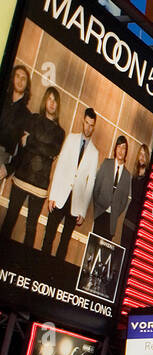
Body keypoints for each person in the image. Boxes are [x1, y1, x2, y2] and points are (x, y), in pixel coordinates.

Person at [0, 87, 66, 248]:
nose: (52, 103)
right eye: (49, 99)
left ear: (58, 105)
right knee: (10, 218)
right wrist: (40, 147)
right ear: (45, 101)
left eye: (55, 100)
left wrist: (31, 141)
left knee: (31, 227)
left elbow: (52, 151)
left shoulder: (60, 132)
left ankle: (25, 269)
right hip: (21, 177)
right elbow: (24, 146)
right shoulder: (33, 119)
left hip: (40, 185)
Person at [43, 107, 99, 260]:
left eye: (91, 125)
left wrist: (82, 210)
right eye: (86, 123)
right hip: (60, 196)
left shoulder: (94, 153)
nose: (88, 127)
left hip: (75, 204)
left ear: (94, 126)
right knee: (48, 235)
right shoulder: (71, 138)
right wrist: (52, 195)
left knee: (64, 242)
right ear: (83, 121)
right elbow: (60, 166)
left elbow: (90, 185)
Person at [90, 135, 132, 242]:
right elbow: (96, 187)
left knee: (104, 250)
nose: (121, 150)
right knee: (93, 246)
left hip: (112, 220)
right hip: (100, 214)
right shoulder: (106, 164)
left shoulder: (127, 176)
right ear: (115, 148)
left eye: (124, 148)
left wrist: (116, 211)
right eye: (119, 147)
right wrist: (98, 206)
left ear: (126, 152)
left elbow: (124, 201)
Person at [0, 64, 31, 182]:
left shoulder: (27, 116)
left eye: (24, 78)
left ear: (27, 84)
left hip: (2, 156)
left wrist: (8, 168)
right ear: (12, 78)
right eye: (17, 76)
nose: (20, 80)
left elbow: (23, 151)